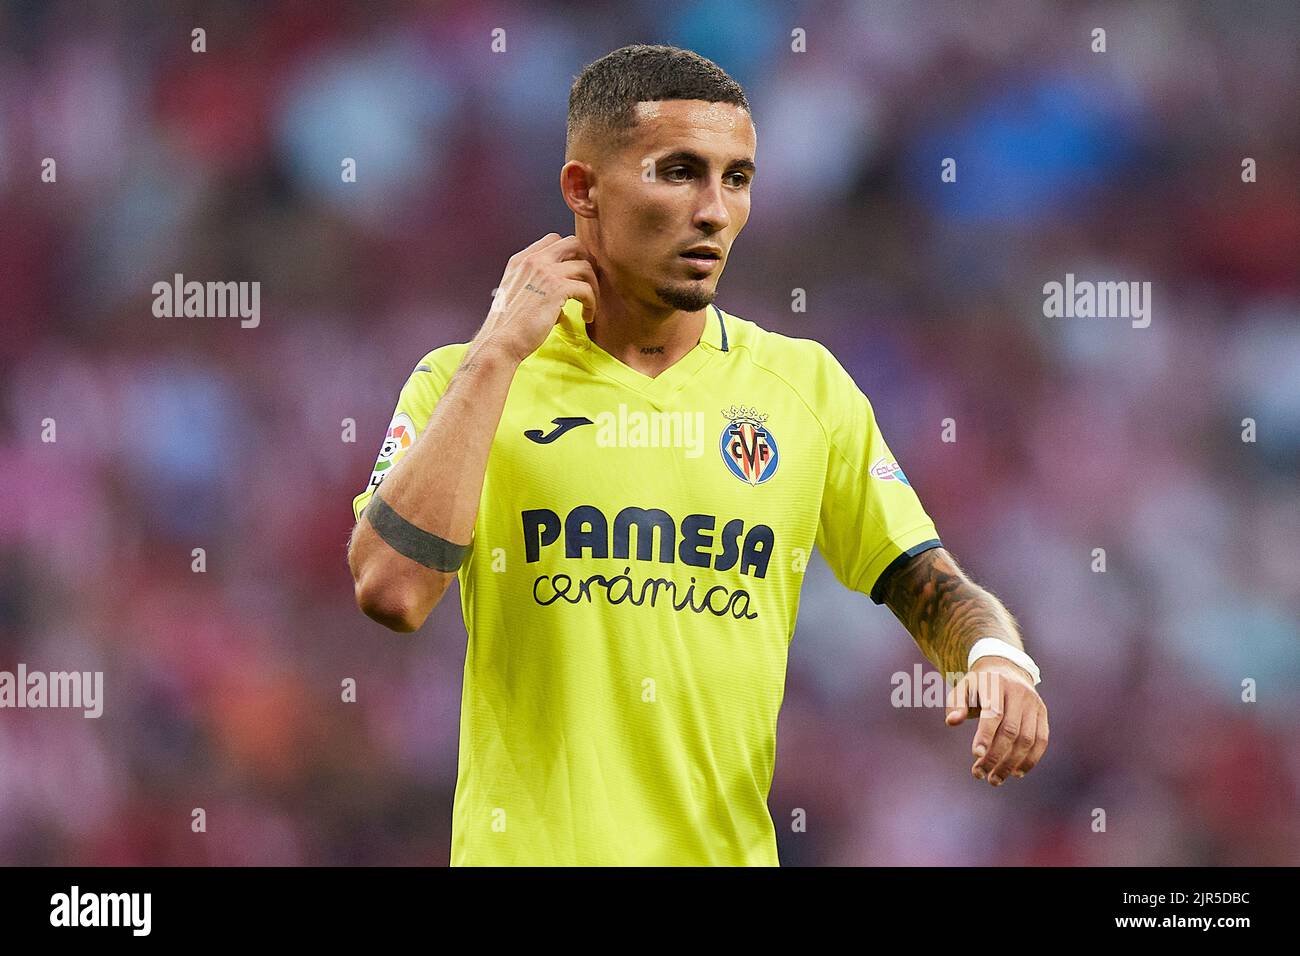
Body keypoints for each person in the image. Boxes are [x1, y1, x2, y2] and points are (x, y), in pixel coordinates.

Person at [346, 44, 1048, 866]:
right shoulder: (464, 382)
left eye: (737, 178)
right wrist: (497, 354)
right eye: (678, 172)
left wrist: (998, 658)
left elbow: (932, 586)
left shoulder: (804, 389)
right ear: (584, 190)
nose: (714, 210)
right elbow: (391, 590)